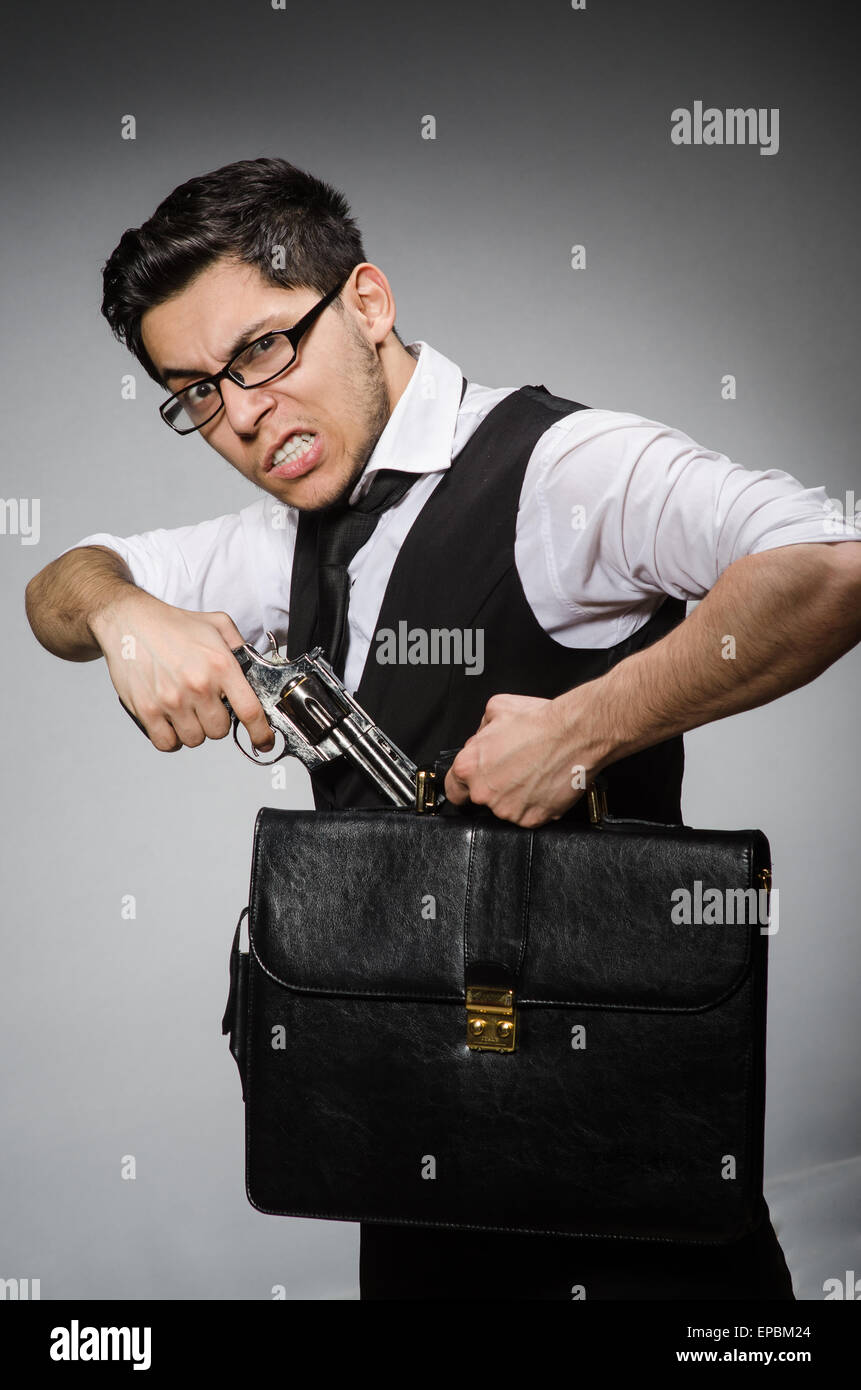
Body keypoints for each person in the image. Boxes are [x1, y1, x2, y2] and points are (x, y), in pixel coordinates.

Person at [25, 156, 861, 1300]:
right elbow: (60, 586)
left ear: (367, 303)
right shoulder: (286, 537)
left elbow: (831, 567)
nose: (244, 414)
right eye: (197, 392)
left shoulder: (565, 470)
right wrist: (123, 614)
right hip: (408, 1139)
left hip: (619, 1154)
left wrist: (584, 726)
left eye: (264, 349)